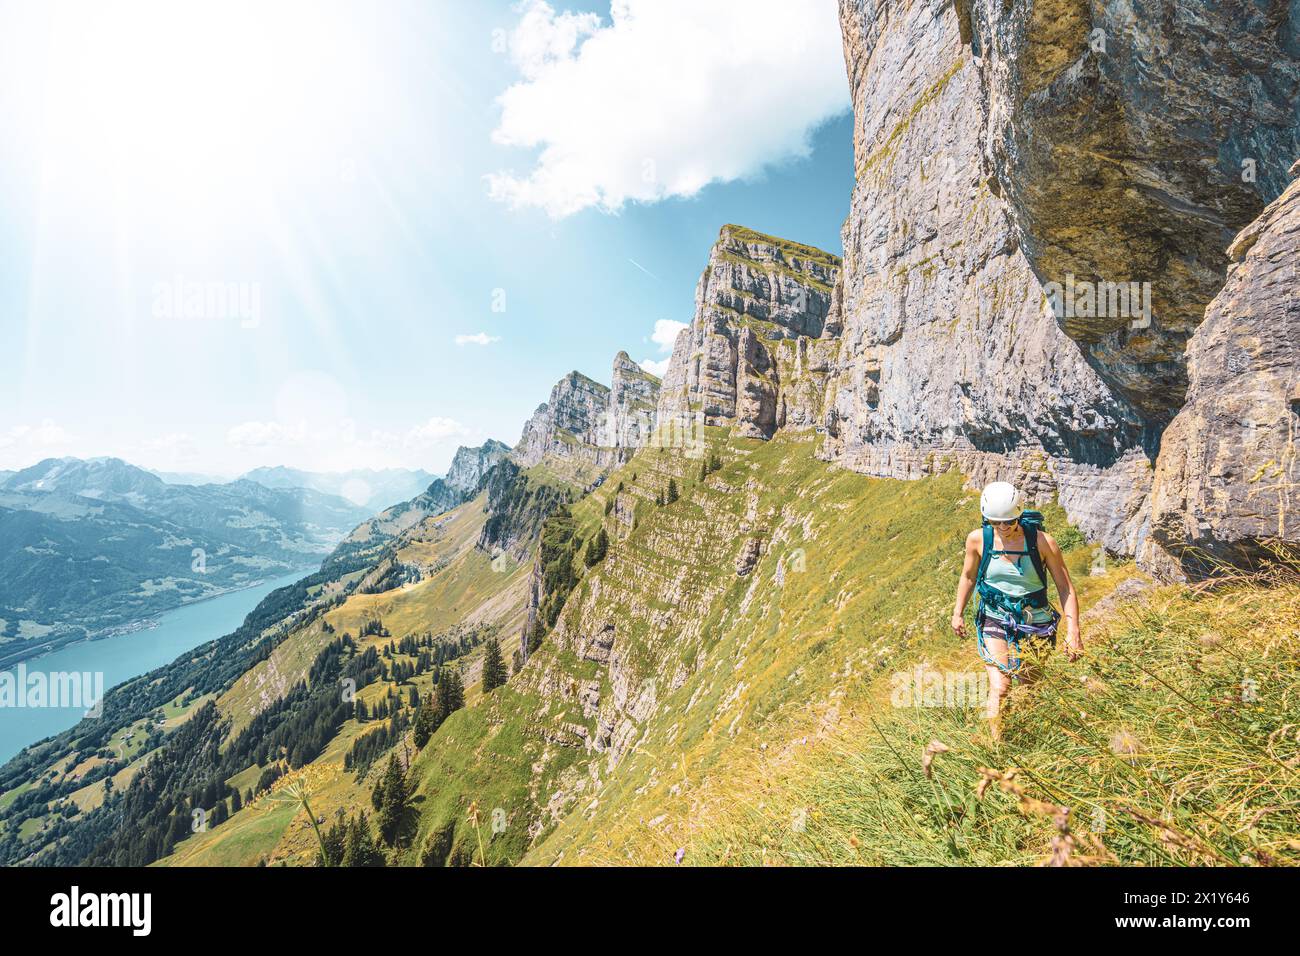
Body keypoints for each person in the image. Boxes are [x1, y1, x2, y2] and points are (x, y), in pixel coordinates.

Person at [951, 481, 1081, 739]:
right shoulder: (978, 539)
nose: (1002, 528)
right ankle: (997, 746)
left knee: (1029, 686)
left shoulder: (1043, 543)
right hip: (995, 617)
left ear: (1019, 514)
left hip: (1036, 621)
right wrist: (957, 612)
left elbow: (1065, 587)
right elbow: (968, 576)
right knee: (1001, 686)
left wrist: (1073, 631)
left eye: (1009, 522)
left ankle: (1026, 737)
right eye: (995, 522)